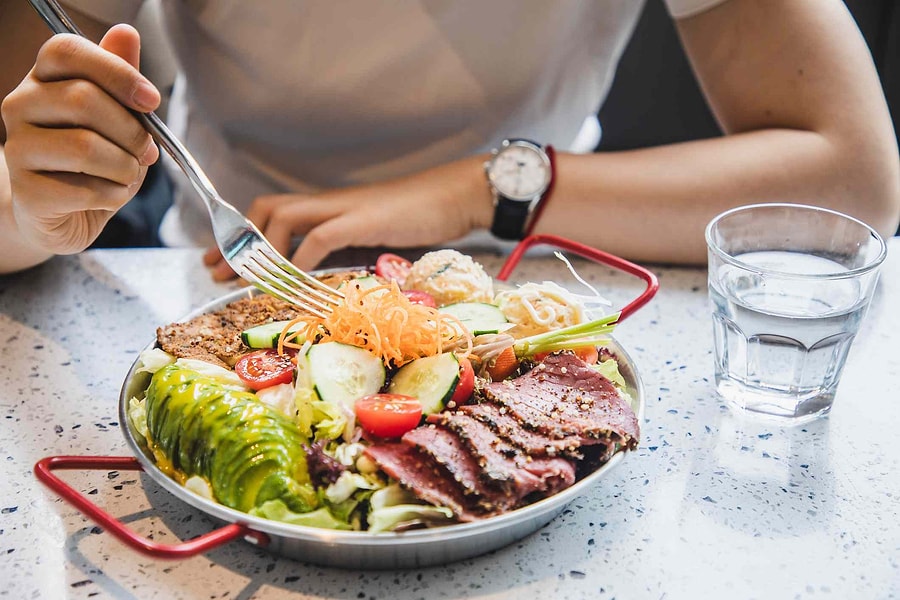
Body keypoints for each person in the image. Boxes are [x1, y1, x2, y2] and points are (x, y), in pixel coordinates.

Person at [1, 0, 898, 279]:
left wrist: (491, 188)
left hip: (545, 273)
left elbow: (855, 177)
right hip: (224, 281)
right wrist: (36, 210)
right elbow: (13, 174)